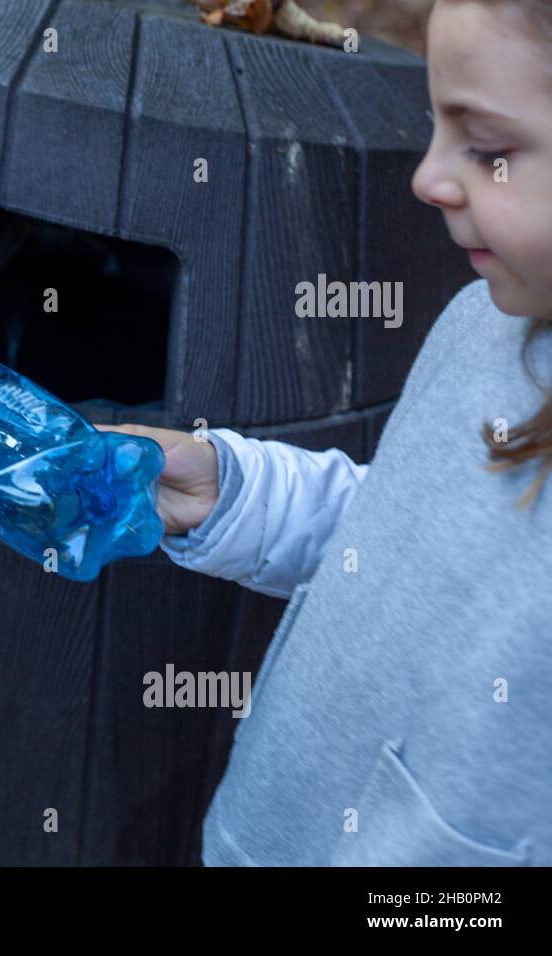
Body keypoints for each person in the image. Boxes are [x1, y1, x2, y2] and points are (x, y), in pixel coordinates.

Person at [102, 0, 552, 866]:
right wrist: (232, 495)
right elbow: (408, 535)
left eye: (489, 150)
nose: (428, 177)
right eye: (436, 128)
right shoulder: (486, 324)